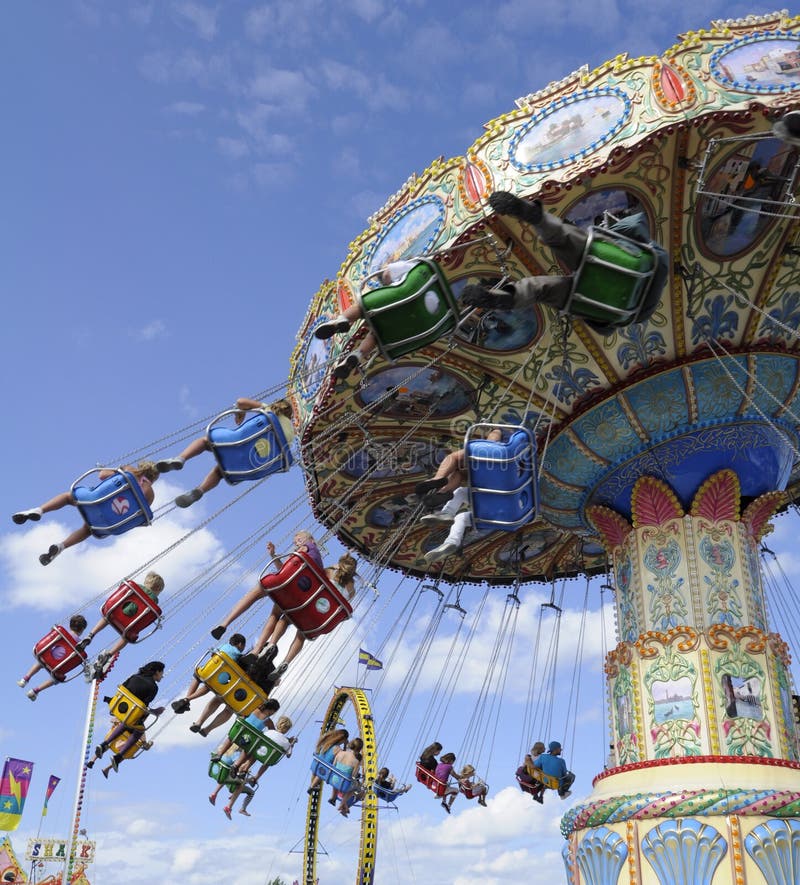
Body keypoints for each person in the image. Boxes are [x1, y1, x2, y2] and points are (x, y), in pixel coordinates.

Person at [462, 191, 669, 334]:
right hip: (607, 303)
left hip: (610, 280)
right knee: (542, 287)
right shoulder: (638, 306)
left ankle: (535, 217)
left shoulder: (655, 265)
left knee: (567, 240)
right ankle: (501, 298)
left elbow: (641, 237)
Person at [156, 397, 296, 508]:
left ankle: (181, 458)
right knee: (221, 471)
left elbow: (240, 401)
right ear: (290, 415)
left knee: (205, 442)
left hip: (238, 442)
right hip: (250, 465)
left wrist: (241, 412)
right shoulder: (291, 434)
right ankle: (200, 490)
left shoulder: (270, 410)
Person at [12, 462, 159, 566]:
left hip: (95, 500)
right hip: (111, 522)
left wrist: (104, 468)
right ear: (154, 478)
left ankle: (39, 510)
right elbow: (138, 518)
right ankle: (61, 546)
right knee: (89, 529)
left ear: (141, 466)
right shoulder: (150, 495)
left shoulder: (129, 470)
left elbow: (102, 475)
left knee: (68, 497)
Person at [255, 551, 357, 682]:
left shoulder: (330, 572)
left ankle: (271, 644)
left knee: (285, 619)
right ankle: (286, 661)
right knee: (302, 635)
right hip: (319, 618)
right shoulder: (352, 590)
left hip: (307, 605)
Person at [313, 260, 419, 379]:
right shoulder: (421, 269)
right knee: (376, 332)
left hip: (399, 302)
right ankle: (357, 355)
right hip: (415, 318)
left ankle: (342, 321)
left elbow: (387, 275)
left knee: (362, 308)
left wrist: (385, 277)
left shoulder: (409, 265)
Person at [209, 532, 323, 642]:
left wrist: (297, 551)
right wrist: (273, 555)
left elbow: (298, 556)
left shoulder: (309, 547)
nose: (297, 543)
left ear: (312, 540)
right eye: (295, 542)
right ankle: (262, 647)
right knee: (275, 614)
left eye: (300, 540)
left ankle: (225, 623)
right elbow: (284, 569)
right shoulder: (316, 564)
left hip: (290, 583)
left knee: (254, 593)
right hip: (297, 592)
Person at [89, 661, 165, 777]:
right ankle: (118, 757)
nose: (162, 676)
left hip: (118, 708)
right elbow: (143, 707)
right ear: (157, 671)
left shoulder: (134, 677)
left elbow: (122, 689)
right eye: (162, 673)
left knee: (127, 721)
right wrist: (156, 711)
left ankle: (104, 744)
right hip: (130, 715)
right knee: (139, 730)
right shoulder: (153, 687)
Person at [81, 572, 165, 676]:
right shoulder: (154, 601)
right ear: (158, 589)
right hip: (128, 625)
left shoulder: (135, 587)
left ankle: (91, 634)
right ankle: (109, 654)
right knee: (126, 638)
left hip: (116, 613)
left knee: (107, 617)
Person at [222, 716, 296, 818]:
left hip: (255, 753)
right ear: (287, 729)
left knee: (257, 753)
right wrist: (291, 744)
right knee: (267, 761)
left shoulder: (269, 732)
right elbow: (288, 755)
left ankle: (241, 777)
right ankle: (255, 777)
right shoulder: (285, 742)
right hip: (266, 758)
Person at [170, 634, 247, 715]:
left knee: (197, 676)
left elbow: (212, 654)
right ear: (240, 644)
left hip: (207, 670)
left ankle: (185, 701)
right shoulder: (238, 654)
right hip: (217, 675)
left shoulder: (223, 646)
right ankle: (187, 699)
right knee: (208, 686)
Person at [19, 614, 88, 701]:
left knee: (40, 662)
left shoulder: (61, 632)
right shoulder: (80, 645)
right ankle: (35, 691)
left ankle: (25, 679)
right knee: (57, 679)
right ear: (82, 629)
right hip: (57, 667)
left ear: (70, 625)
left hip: (46, 657)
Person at [210, 701, 281, 762]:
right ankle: (237, 765)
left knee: (231, 737)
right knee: (249, 750)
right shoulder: (268, 721)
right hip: (249, 740)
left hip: (239, 733)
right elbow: (273, 733)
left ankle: (220, 754)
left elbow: (242, 715)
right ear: (272, 709)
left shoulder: (253, 709)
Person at [308, 728, 350, 796]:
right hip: (324, 768)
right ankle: (312, 786)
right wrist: (345, 746)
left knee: (318, 770)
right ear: (343, 739)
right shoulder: (338, 749)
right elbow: (343, 757)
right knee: (325, 772)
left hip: (317, 764)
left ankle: (312, 784)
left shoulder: (329, 742)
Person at [333, 738, 363, 817]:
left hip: (334, 780)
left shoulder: (340, 753)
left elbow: (334, 765)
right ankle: (342, 804)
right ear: (360, 749)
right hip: (343, 785)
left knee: (351, 785)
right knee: (355, 788)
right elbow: (353, 777)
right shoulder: (356, 761)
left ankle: (344, 807)